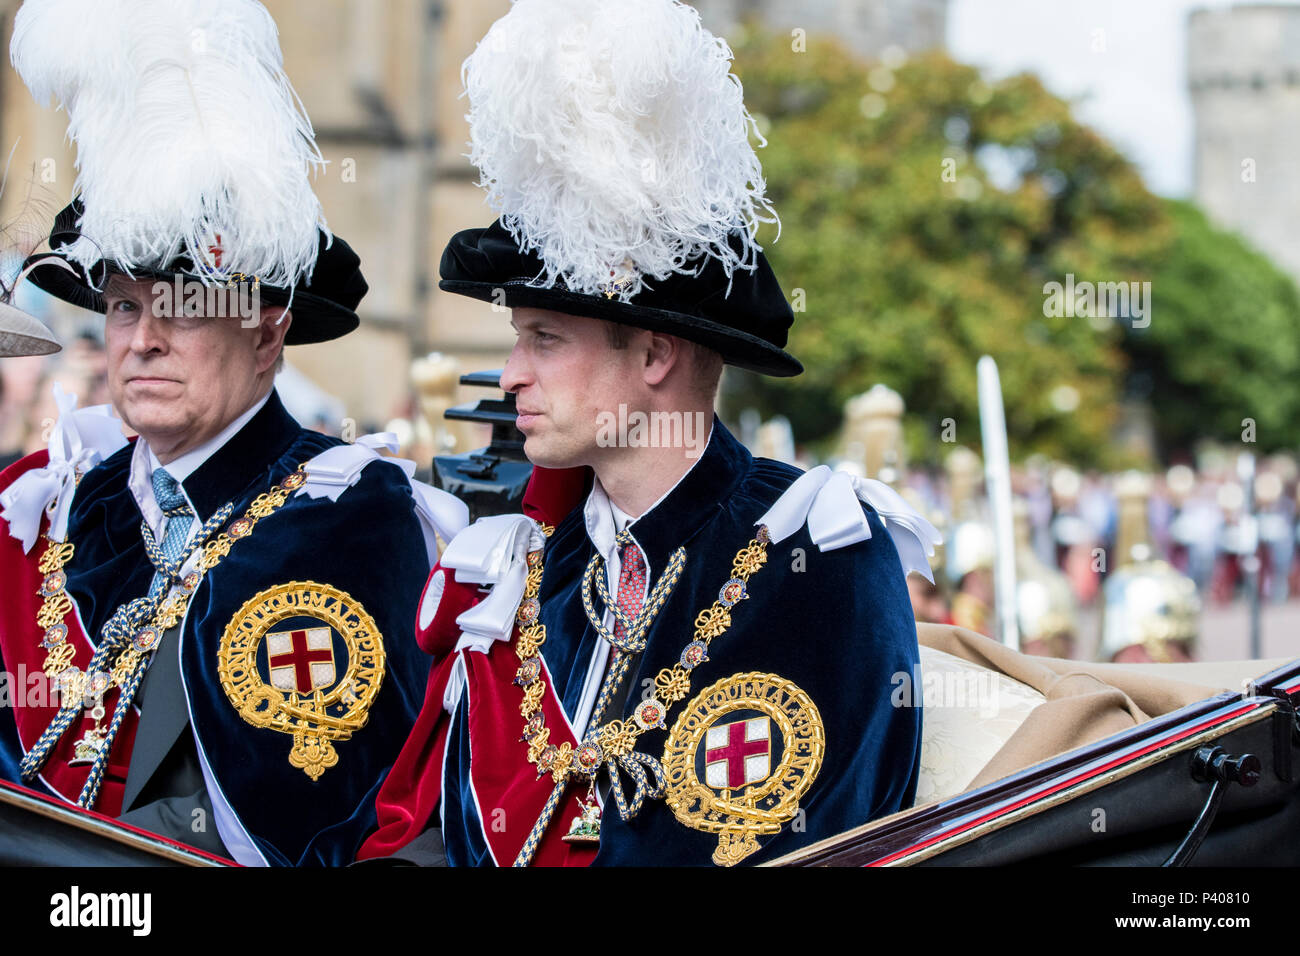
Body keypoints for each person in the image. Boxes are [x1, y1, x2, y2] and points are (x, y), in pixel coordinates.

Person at [359, 0, 941, 867]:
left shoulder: (818, 556)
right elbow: (430, 828)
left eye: (545, 340)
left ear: (657, 356)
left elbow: (822, 844)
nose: (512, 373)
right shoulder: (521, 564)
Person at [0, 0, 466, 865]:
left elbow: (396, 813)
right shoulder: (48, 507)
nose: (142, 338)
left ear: (266, 329)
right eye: (125, 306)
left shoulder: (358, 516)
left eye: (182, 307)